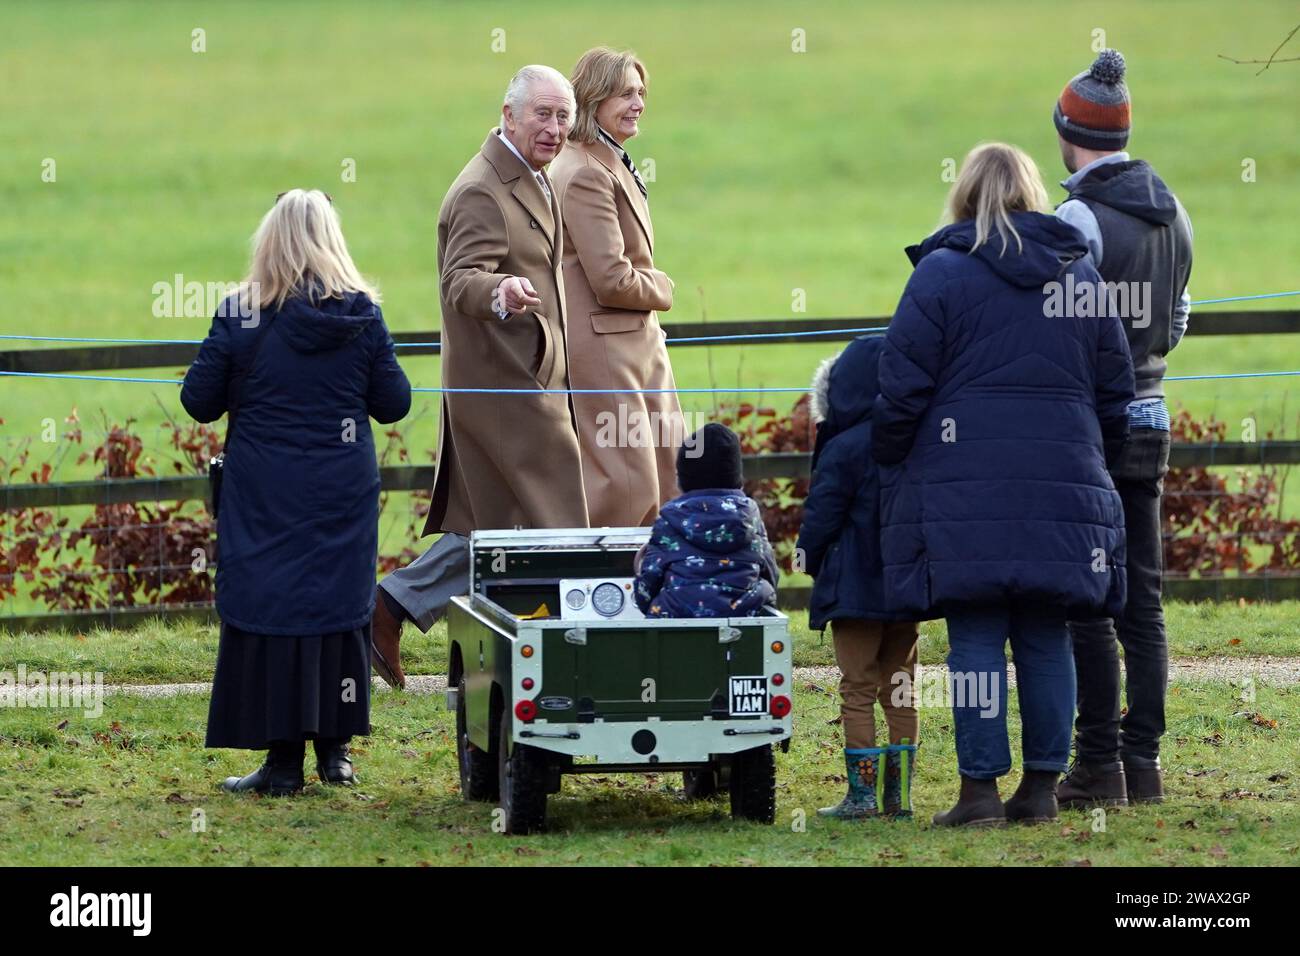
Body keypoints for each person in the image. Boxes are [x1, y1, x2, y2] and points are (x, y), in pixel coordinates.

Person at [872, 143, 1135, 827]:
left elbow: (900, 388)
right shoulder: (1082, 280)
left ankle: (979, 792)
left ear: (963, 195)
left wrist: (894, 458)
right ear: (1033, 194)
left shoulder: (939, 275)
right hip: (1065, 488)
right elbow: (1117, 392)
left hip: (964, 493)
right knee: (1048, 636)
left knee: (978, 642)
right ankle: (1043, 789)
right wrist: (1091, 459)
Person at [182, 188, 411, 795]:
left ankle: (282, 763)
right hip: (341, 490)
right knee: (336, 609)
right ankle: (336, 755)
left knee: (274, 610)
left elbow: (197, 401)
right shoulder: (360, 314)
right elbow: (395, 403)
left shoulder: (241, 315)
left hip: (264, 493)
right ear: (333, 240)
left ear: (268, 242)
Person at [370, 65, 589, 689]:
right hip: (505, 390)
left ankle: (397, 611)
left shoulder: (530, 175)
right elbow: (461, 279)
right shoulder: (482, 190)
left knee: (491, 531)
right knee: (555, 527)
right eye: (542, 115)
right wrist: (503, 290)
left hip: (522, 380)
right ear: (509, 114)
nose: (553, 128)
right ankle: (555, 666)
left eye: (562, 117)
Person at [1053, 50, 1194, 808]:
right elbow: (1175, 319)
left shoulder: (1078, 215)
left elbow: (1064, 320)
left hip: (1091, 423)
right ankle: (1144, 766)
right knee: (1143, 599)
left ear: (1067, 132)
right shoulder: (1176, 210)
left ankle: (1096, 764)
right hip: (1153, 412)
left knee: (1089, 598)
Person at [550, 47, 682, 527]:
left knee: (662, 474)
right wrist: (663, 288)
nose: (638, 102)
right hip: (608, 350)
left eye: (641, 92)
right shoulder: (585, 170)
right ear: (595, 98)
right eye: (626, 93)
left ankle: (656, 589)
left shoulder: (605, 159)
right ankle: (614, 595)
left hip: (631, 348)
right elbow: (611, 279)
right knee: (627, 487)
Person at [797, 336, 920, 819]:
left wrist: (808, 559)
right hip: (906, 589)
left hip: (854, 590)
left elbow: (821, 518)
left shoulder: (843, 448)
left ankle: (862, 796)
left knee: (857, 689)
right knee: (902, 686)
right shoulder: (912, 440)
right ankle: (900, 796)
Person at [634, 423, 778, 618]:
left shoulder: (669, 521)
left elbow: (648, 584)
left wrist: (646, 602)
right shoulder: (749, 517)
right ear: (736, 476)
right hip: (744, 614)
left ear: (682, 479)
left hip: (677, 617)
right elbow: (770, 572)